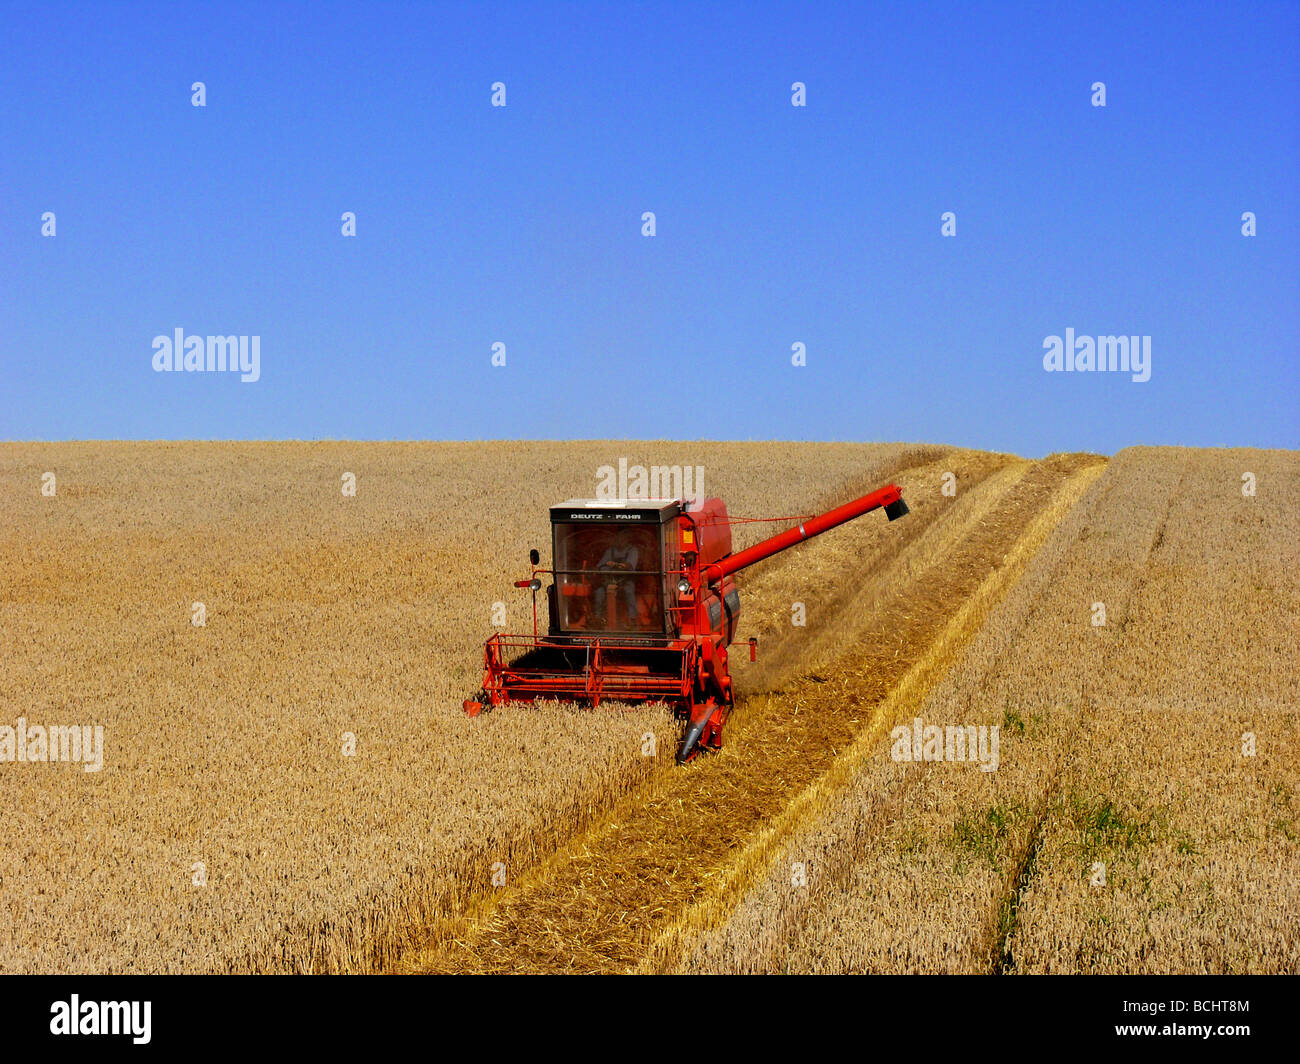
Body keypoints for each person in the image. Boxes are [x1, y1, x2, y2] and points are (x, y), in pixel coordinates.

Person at [592, 531, 639, 627]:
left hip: (625, 581)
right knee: (599, 593)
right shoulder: (610, 551)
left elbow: (630, 565)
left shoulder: (632, 550)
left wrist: (617, 565)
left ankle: (632, 619)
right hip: (609, 580)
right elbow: (600, 565)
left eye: (623, 538)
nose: (621, 540)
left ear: (628, 539)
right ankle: (598, 619)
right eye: (619, 538)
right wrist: (605, 565)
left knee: (629, 591)